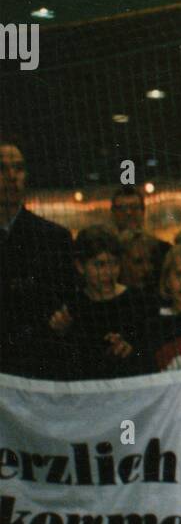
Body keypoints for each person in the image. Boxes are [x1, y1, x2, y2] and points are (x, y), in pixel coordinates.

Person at [0, 135, 77, 377]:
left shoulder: (54, 239)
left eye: (19, 168)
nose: (12, 177)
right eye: (2, 168)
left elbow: (71, 301)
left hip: (39, 365)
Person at [48, 225, 154, 379]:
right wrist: (61, 332)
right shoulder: (72, 306)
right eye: (100, 265)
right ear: (80, 266)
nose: (109, 272)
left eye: (114, 263)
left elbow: (151, 354)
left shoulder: (139, 300)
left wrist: (130, 349)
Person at [110, 184, 172, 273]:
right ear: (113, 213)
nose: (128, 212)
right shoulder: (108, 253)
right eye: (122, 208)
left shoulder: (162, 250)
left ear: (143, 212)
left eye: (134, 207)